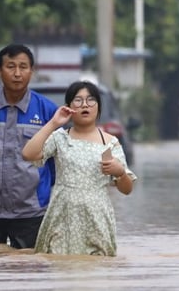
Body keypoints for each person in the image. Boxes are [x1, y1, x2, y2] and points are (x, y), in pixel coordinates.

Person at [21, 80, 136, 256]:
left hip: (96, 219)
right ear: (69, 107)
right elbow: (28, 154)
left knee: (96, 274)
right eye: (78, 100)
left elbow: (127, 190)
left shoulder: (110, 142)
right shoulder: (60, 138)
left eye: (91, 100)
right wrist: (53, 123)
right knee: (60, 267)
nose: (85, 105)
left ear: (98, 107)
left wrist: (120, 172)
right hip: (62, 217)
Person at [0, 43, 59, 249]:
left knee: (30, 270)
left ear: (32, 71)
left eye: (23, 67)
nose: (17, 73)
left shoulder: (48, 111)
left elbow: (58, 162)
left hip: (32, 210)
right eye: (10, 66)